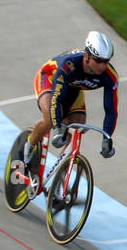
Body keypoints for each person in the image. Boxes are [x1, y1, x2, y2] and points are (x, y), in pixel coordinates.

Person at [18, 30, 118, 176]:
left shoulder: (110, 76)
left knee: (76, 128)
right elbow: (56, 99)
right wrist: (58, 128)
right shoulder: (69, 65)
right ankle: (28, 148)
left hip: (73, 88)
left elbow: (111, 110)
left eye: (106, 62)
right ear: (87, 56)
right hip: (50, 79)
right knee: (50, 120)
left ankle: (60, 181)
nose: (102, 66)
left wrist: (107, 138)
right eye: (98, 61)